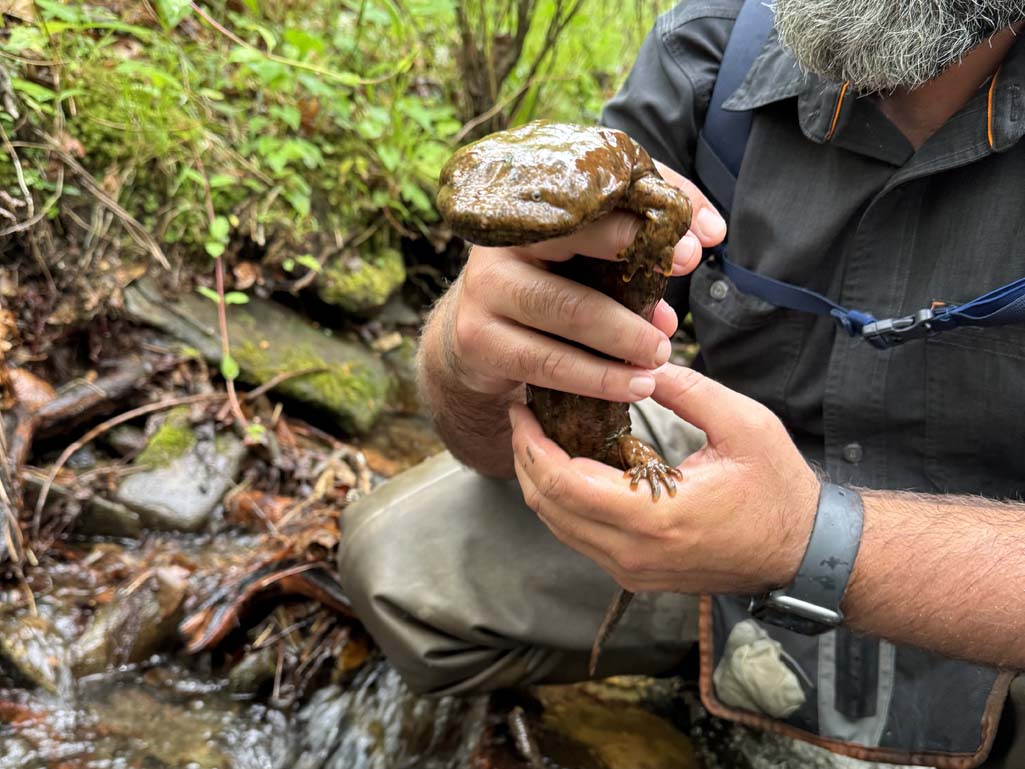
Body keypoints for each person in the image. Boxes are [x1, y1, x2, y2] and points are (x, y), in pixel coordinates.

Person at [338, 0, 1025, 765]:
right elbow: (494, 443)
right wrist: (466, 348)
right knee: (400, 561)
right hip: (718, 487)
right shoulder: (710, 51)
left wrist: (812, 543)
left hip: (989, 588)